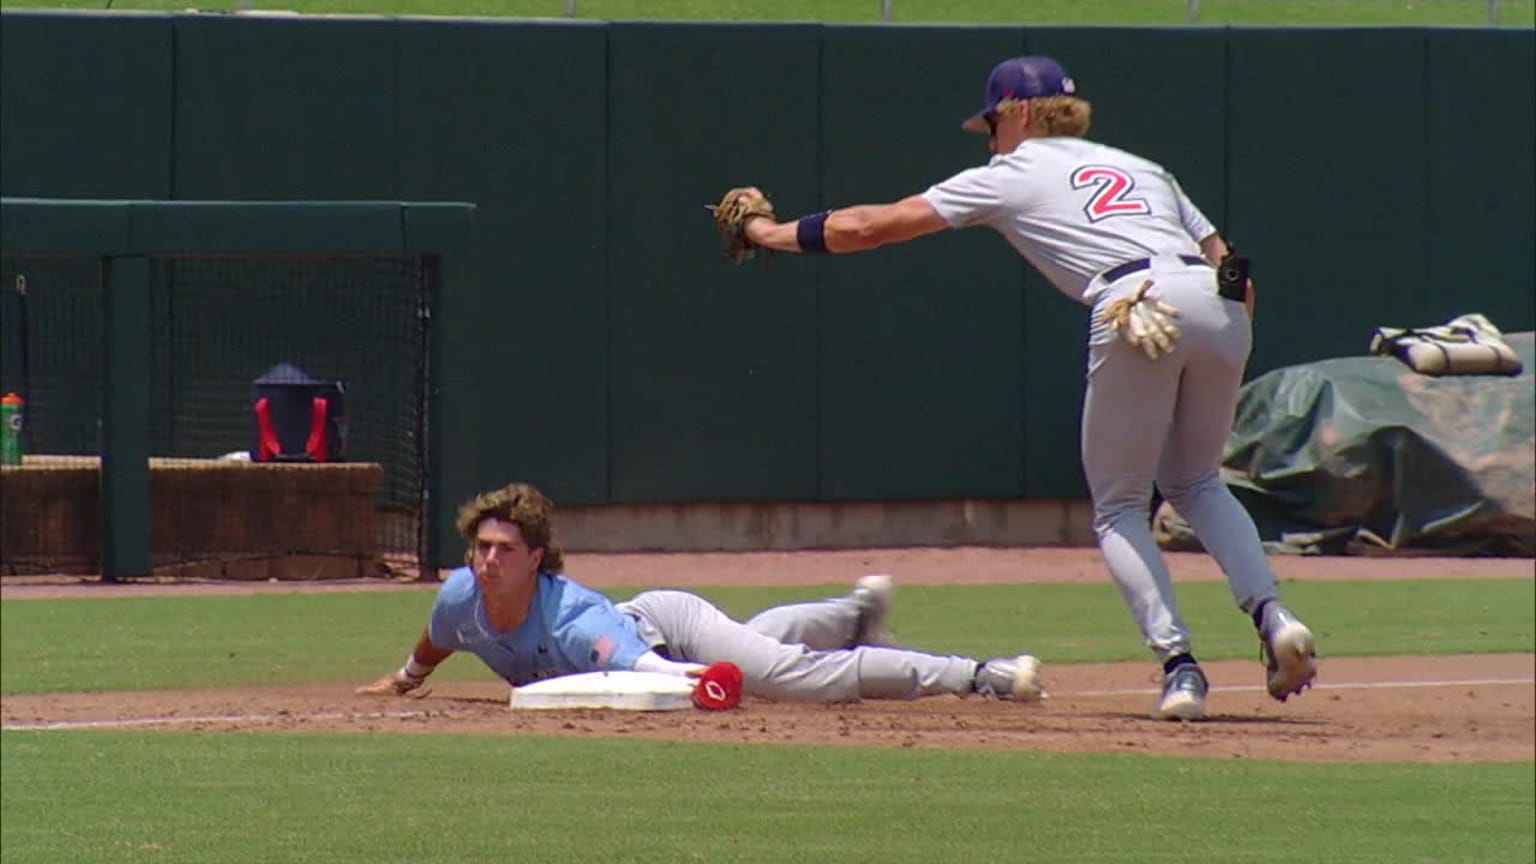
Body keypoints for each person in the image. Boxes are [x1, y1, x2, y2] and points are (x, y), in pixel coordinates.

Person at [716, 56, 1316, 721]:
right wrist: (1225, 345)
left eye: (993, 122)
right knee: (1198, 481)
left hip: (1135, 299)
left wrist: (767, 233)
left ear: (1021, 114)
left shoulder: (1014, 172)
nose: (990, 137)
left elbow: (870, 227)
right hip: (1220, 302)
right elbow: (1232, 268)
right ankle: (1275, 616)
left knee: (1119, 506)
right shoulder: (1143, 167)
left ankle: (1181, 670)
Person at [357, 482, 1042, 704]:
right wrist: (405, 677)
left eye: (507, 549)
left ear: (537, 557)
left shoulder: (573, 619)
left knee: (785, 678)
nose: (489, 559)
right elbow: (438, 640)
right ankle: (856, 612)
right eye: (481, 546)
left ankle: (977, 674)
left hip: (663, 629)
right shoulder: (458, 596)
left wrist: (704, 683)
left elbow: (642, 666)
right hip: (647, 641)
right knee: (764, 642)